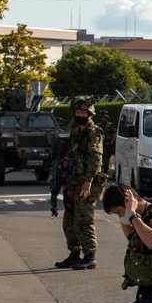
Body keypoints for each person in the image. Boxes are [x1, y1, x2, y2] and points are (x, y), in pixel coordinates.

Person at [55, 97, 106, 270]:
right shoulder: (76, 131)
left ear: (90, 113)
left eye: (83, 112)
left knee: (84, 220)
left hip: (85, 183)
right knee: (69, 220)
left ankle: (90, 255)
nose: (80, 115)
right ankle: (74, 253)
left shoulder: (94, 132)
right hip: (72, 182)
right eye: (77, 112)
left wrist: (88, 181)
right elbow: (72, 153)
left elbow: (95, 159)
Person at [98, 110, 115, 177]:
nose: (103, 119)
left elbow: (114, 133)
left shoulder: (110, 125)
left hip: (108, 145)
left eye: (104, 118)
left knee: (107, 160)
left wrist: (112, 140)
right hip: (101, 145)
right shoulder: (98, 126)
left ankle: (105, 172)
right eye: (102, 118)